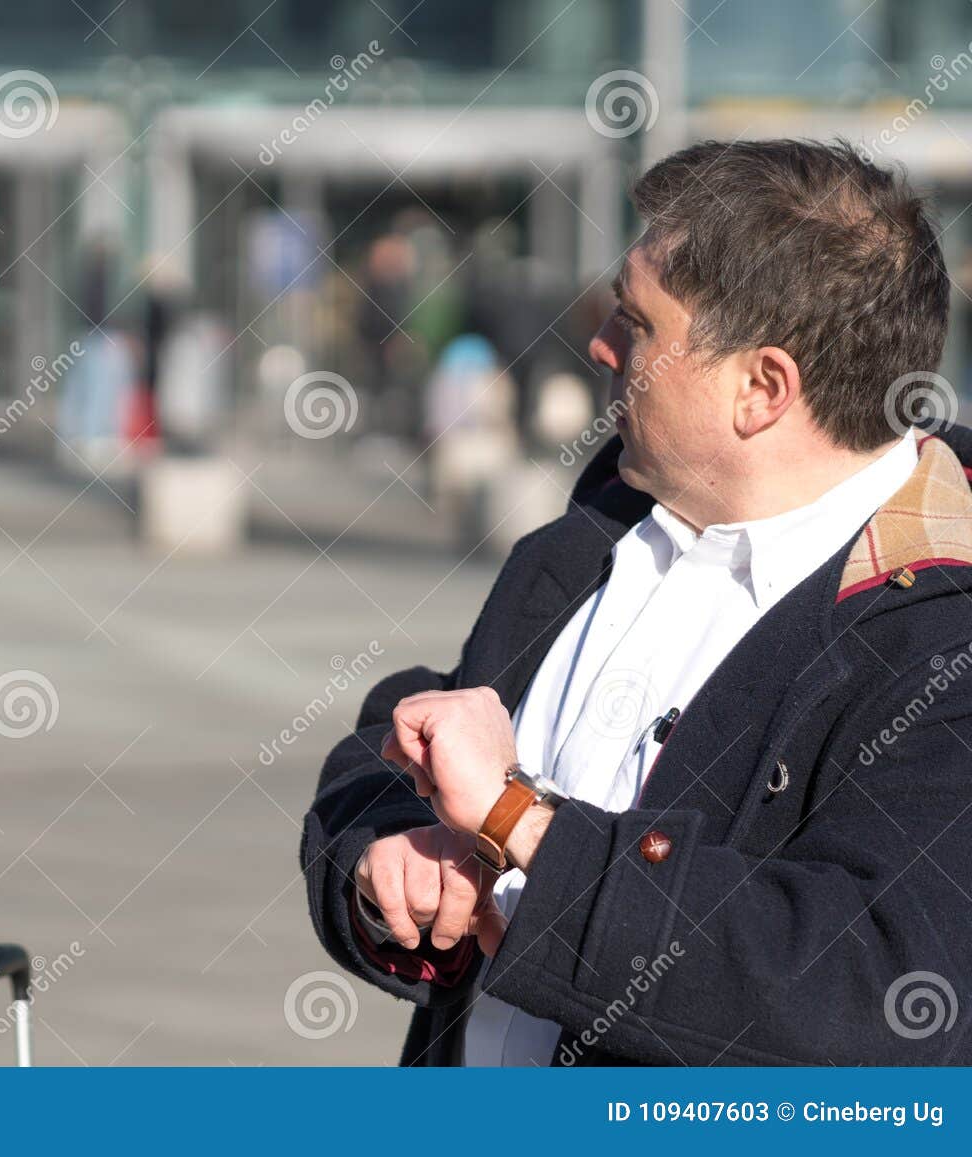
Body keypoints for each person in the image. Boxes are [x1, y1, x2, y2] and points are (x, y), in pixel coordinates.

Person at [302, 139, 972, 1065]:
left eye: (639, 322)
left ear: (762, 388)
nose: (602, 343)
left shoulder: (941, 634)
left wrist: (519, 823)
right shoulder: (608, 524)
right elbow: (425, 725)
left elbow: (868, 995)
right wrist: (384, 854)